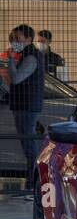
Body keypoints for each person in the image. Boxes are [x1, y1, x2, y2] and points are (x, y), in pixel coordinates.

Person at [6, 24, 44, 196]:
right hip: (23, 105)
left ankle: (34, 182)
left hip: (28, 107)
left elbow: (16, 78)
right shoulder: (26, 55)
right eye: (12, 38)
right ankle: (33, 181)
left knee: (29, 145)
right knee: (27, 144)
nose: (14, 41)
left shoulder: (31, 57)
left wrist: (10, 60)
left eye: (17, 38)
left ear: (28, 39)